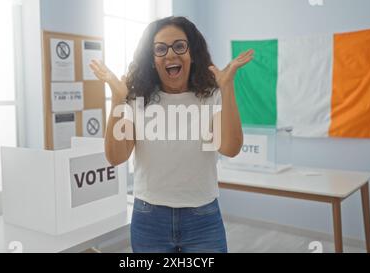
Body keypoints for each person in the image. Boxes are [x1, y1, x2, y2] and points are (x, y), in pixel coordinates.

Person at [90, 16, 253, 253]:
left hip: (202, 216)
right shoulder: (136, 98)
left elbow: (230, 148)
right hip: (149, 217)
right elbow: (116, 157)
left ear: (192, 53)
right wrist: (117, 99)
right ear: (152, 59)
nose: (170, 55)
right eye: (160, 49)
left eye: (179, 46)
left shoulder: (210, 96)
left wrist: (227, 89)